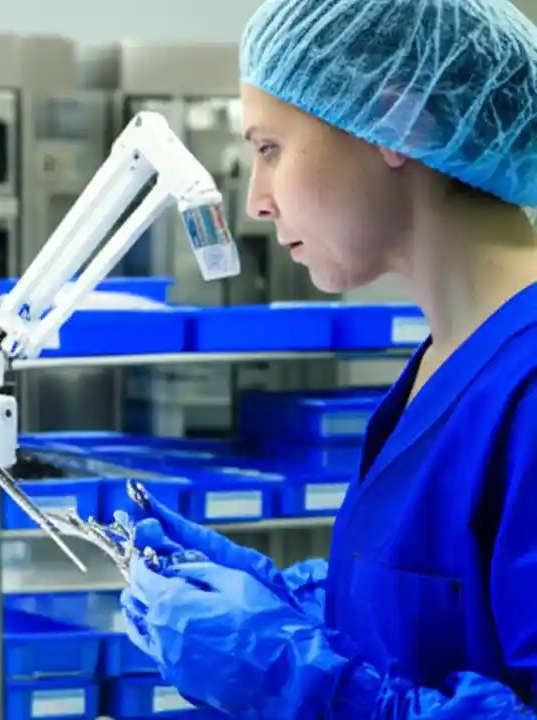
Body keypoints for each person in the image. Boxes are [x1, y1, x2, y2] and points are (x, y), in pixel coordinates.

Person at [119, 0, 537, 717]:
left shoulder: (525, 391)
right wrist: (284, 603)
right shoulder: (450, 357)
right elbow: (438, 609)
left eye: (269, 148)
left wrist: (298, 680)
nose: (255, 201)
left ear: (400, 122)